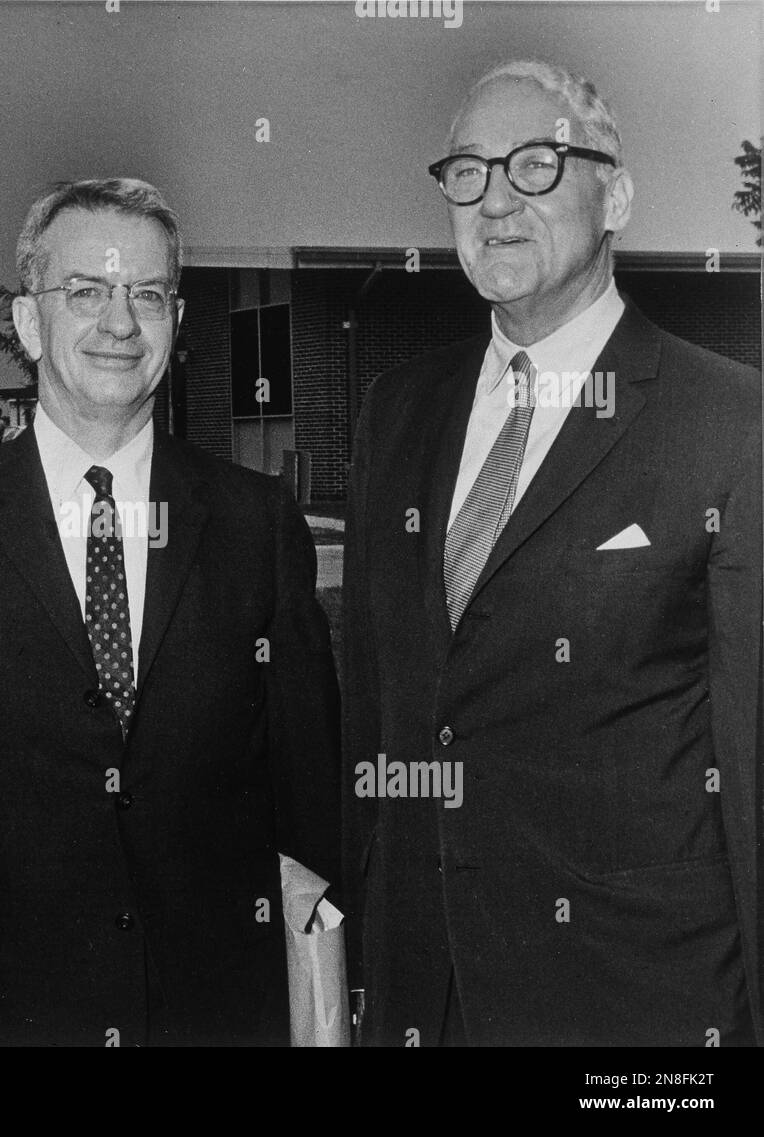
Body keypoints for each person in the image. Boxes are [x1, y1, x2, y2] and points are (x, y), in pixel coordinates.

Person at [341, 59, 761, 1046]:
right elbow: (377, 704)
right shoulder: (395, 414)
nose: (494, 201)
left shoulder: (731, 423)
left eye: (533, 166)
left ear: (614, 194)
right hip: (425, 993)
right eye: (467, 172)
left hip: (637, 1005)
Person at [0, 178, 341, 1045]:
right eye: (86, 292)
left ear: (178, 318)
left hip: (217, 1015)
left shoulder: (255, 523)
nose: (120, 324)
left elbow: (310, 800)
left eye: (148, 295)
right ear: (27, 322)